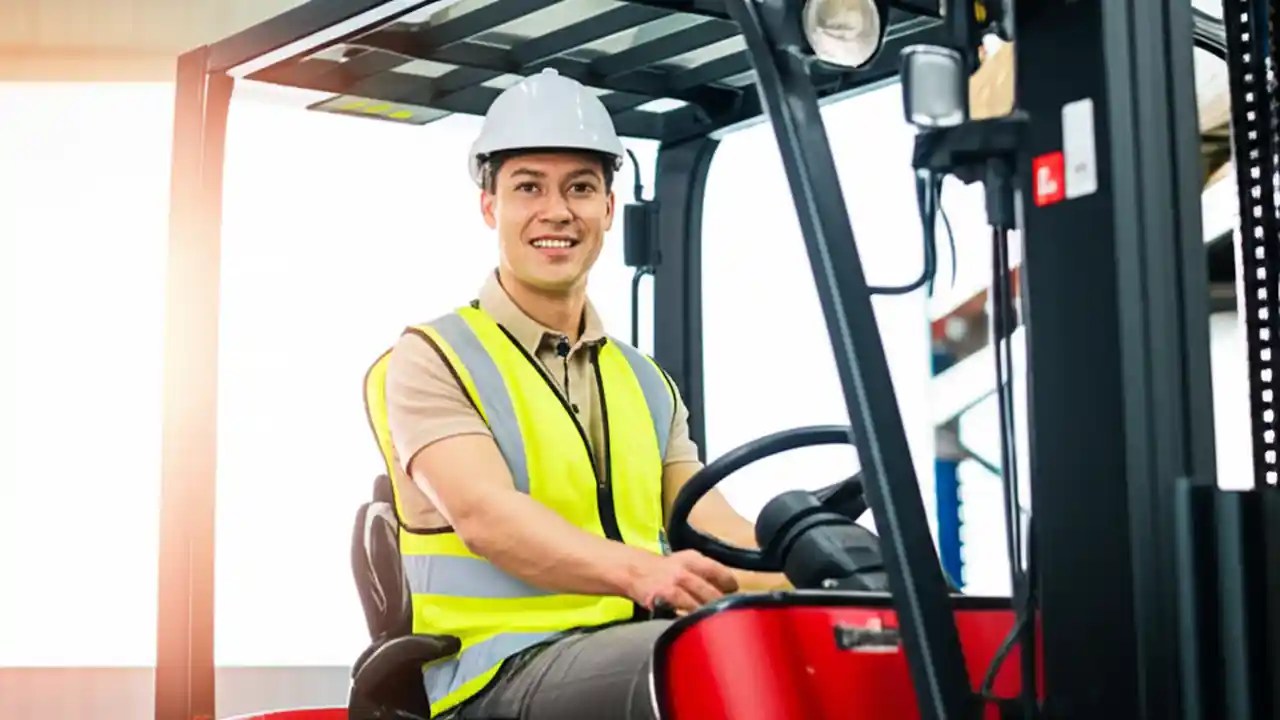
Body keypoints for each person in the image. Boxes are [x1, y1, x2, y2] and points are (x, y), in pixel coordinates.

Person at [370, 68, 789, 720]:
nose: (557, 211)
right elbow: (486, 518)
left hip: (624, 647)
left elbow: (715, 530)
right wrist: (642, 573)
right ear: (491, 207)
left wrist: (831, 573)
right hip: (493, 673)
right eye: (528, 187)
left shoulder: (646, 383)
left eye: (581, 188)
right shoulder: (432, 358)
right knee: (712, 664)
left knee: (822, 650)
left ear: (608, 210)